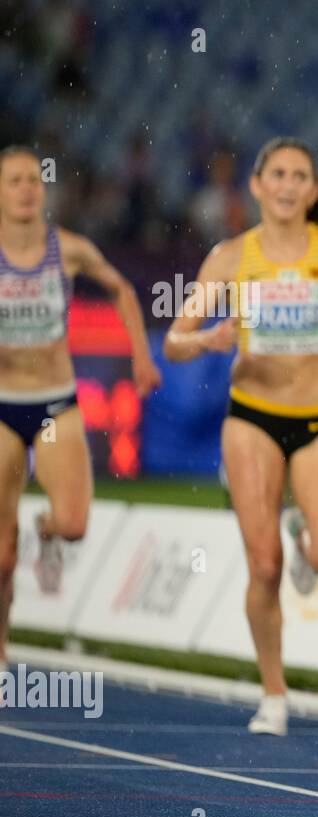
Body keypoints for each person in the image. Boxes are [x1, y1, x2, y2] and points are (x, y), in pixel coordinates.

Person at [164, 137, 318, 735]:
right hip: (251, 420)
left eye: (300, 175)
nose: (289, 184)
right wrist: (204, 341)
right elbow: (174, 338)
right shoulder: (230, 257)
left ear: (310, 189)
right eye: (278, 173)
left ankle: (305, 536)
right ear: (257, 185)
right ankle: (274, 693)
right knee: (264, 566)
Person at [0, 145, 160, 672]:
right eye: (14, 180)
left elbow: (120, 289)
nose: (26, 189)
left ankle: (44, 529)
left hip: (54, 403)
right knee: (0, 555)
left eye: (33, 180)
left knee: (73, 524)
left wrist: (140, 356)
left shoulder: (66, 249)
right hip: (2, 406)